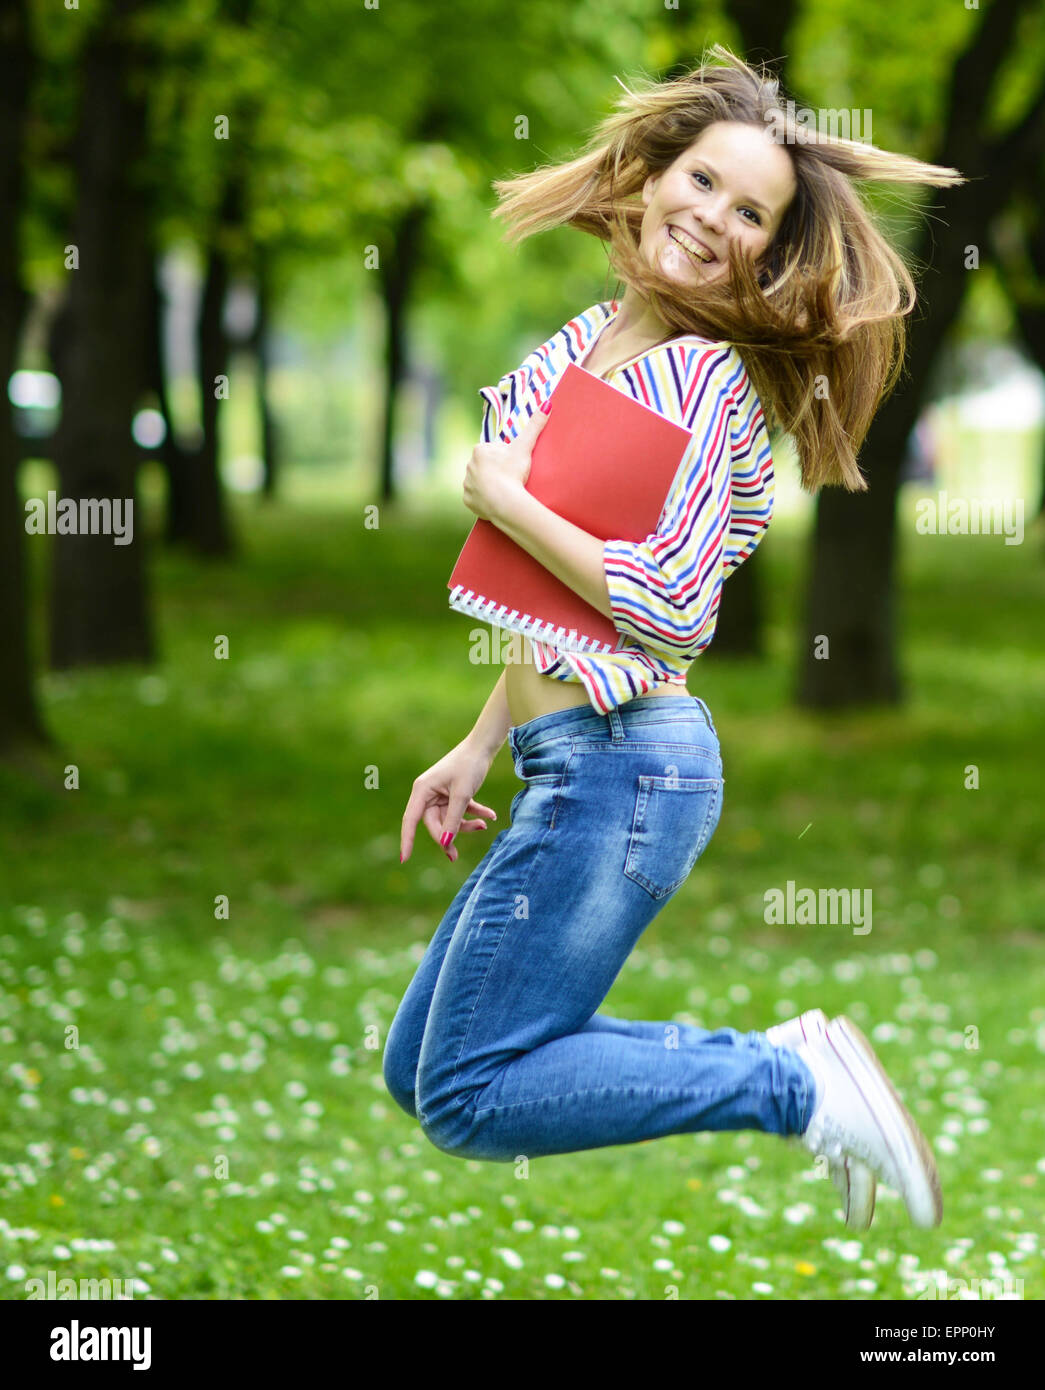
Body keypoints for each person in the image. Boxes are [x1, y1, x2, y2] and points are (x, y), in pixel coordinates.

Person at [386, 45, 963, 1231]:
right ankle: (798, 1063)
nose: (712, 218)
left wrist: (512, 503)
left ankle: (790, 1083)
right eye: (702, 181)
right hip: (571, 758)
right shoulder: (593, 337)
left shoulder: (706, 380)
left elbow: (668, 607)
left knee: (466, 1091)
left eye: (750, 213)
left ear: (766, 251)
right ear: (652, 176)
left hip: (627, 771)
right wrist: (480, 742)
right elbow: (556, 596)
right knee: (420, 1068)